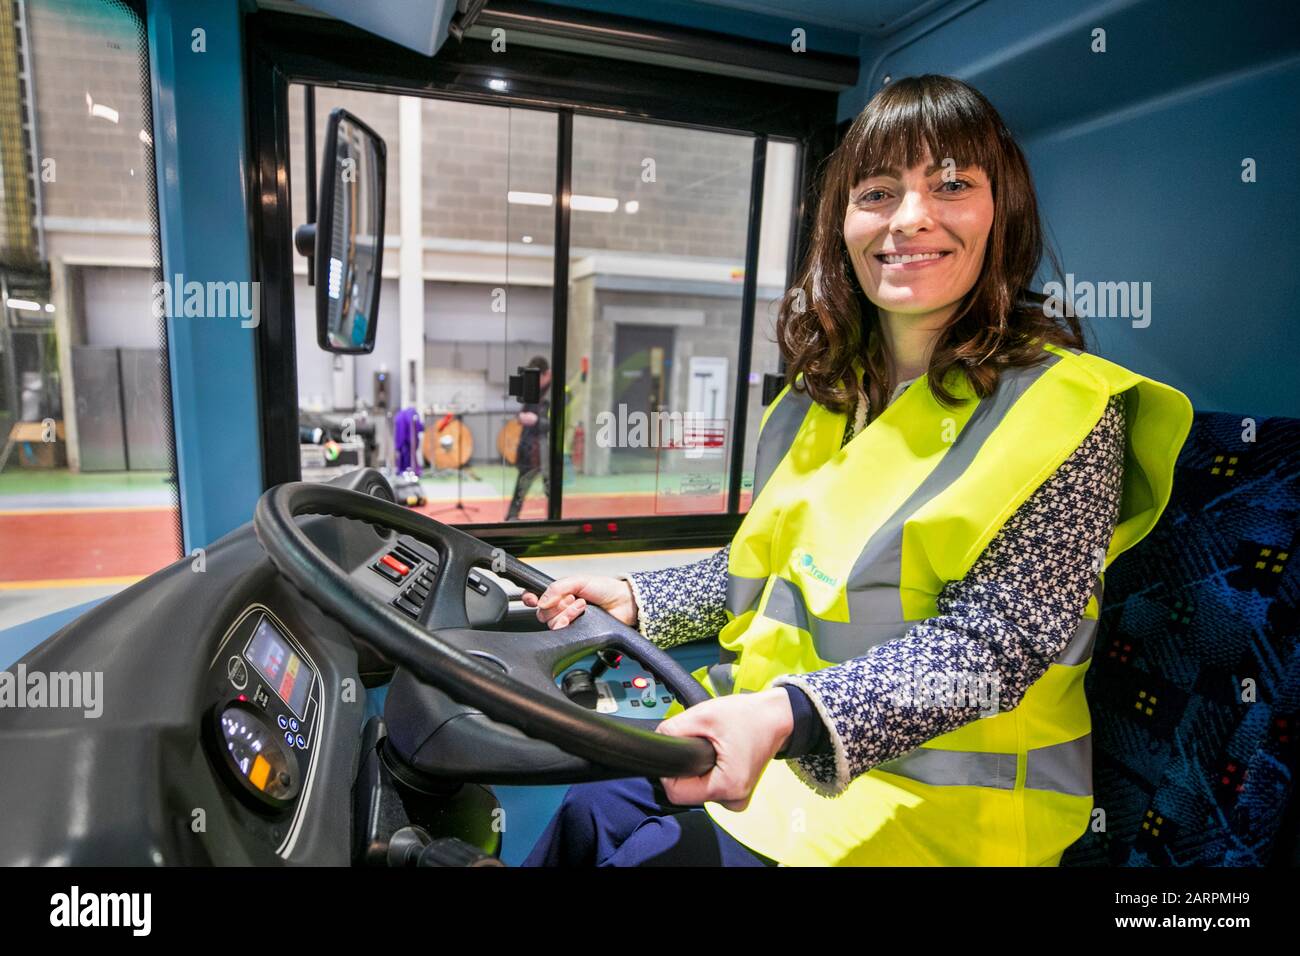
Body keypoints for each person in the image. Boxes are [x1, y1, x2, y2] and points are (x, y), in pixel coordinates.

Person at [519, 74, 1193, 867]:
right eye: (877, 192)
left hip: (936, 822)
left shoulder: (1070, 406)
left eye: (952, 185)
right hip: (772, 766)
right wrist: (638, 595)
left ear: (1001, 215)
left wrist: (790, 713)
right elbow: (766, 571)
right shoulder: (817, 401)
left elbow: (995, 645)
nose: (911, 218)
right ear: (843, 223)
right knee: (588, 811)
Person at [505, 355, 552, 521]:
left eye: (537, 378)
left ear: (547, 374)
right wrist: (521, 417)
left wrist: (537, 420)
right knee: (521, 486)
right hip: (530, 449)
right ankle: (511, 518)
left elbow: (561, 425)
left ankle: (554, 521)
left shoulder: (557, 394)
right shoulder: (535, 391)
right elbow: (523, 411)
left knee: (550, 490)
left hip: (546, 451)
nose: (533, 382)